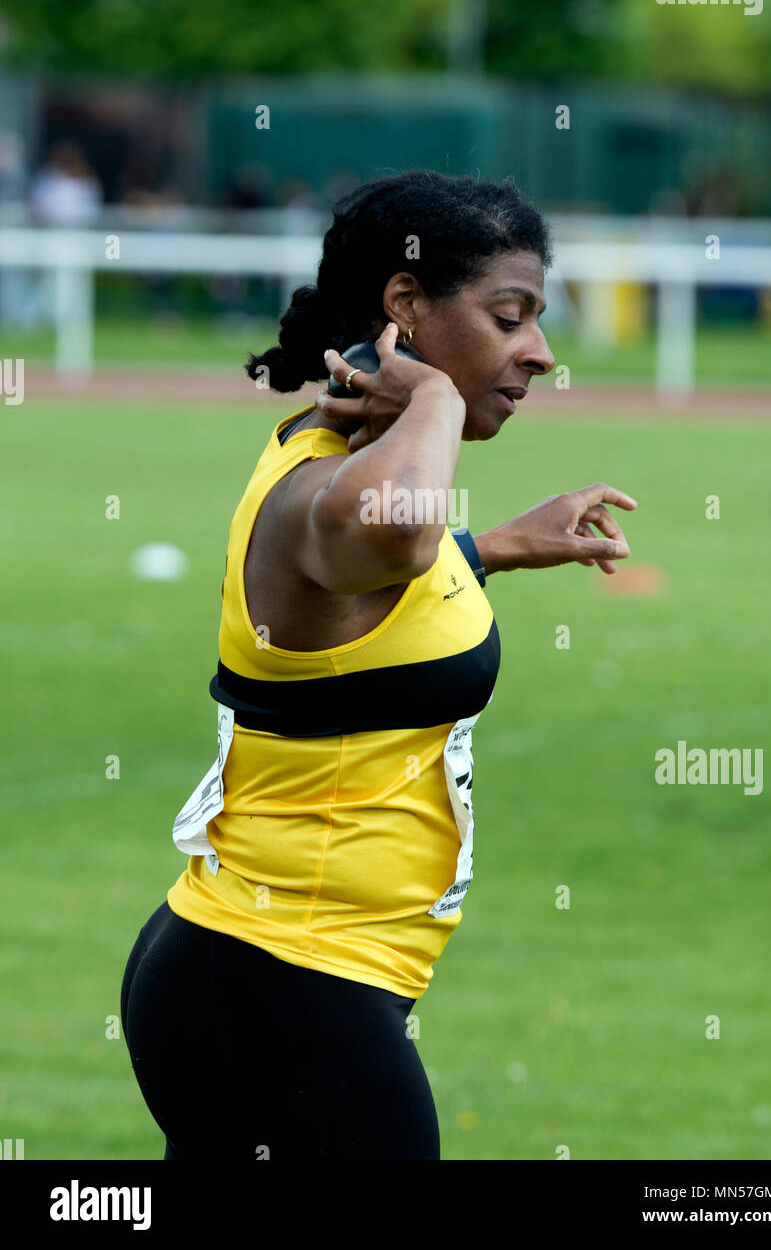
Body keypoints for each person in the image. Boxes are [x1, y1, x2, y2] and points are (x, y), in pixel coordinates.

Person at [120, 169, 637, 1161]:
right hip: (278, 983)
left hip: (265, 976)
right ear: (405, 305)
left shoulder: (357, 496)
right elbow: (396, 539)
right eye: (507, 315)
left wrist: (496, 547)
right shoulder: (323, 493)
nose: (539, 351)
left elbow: (373, 613)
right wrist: (436, 395)